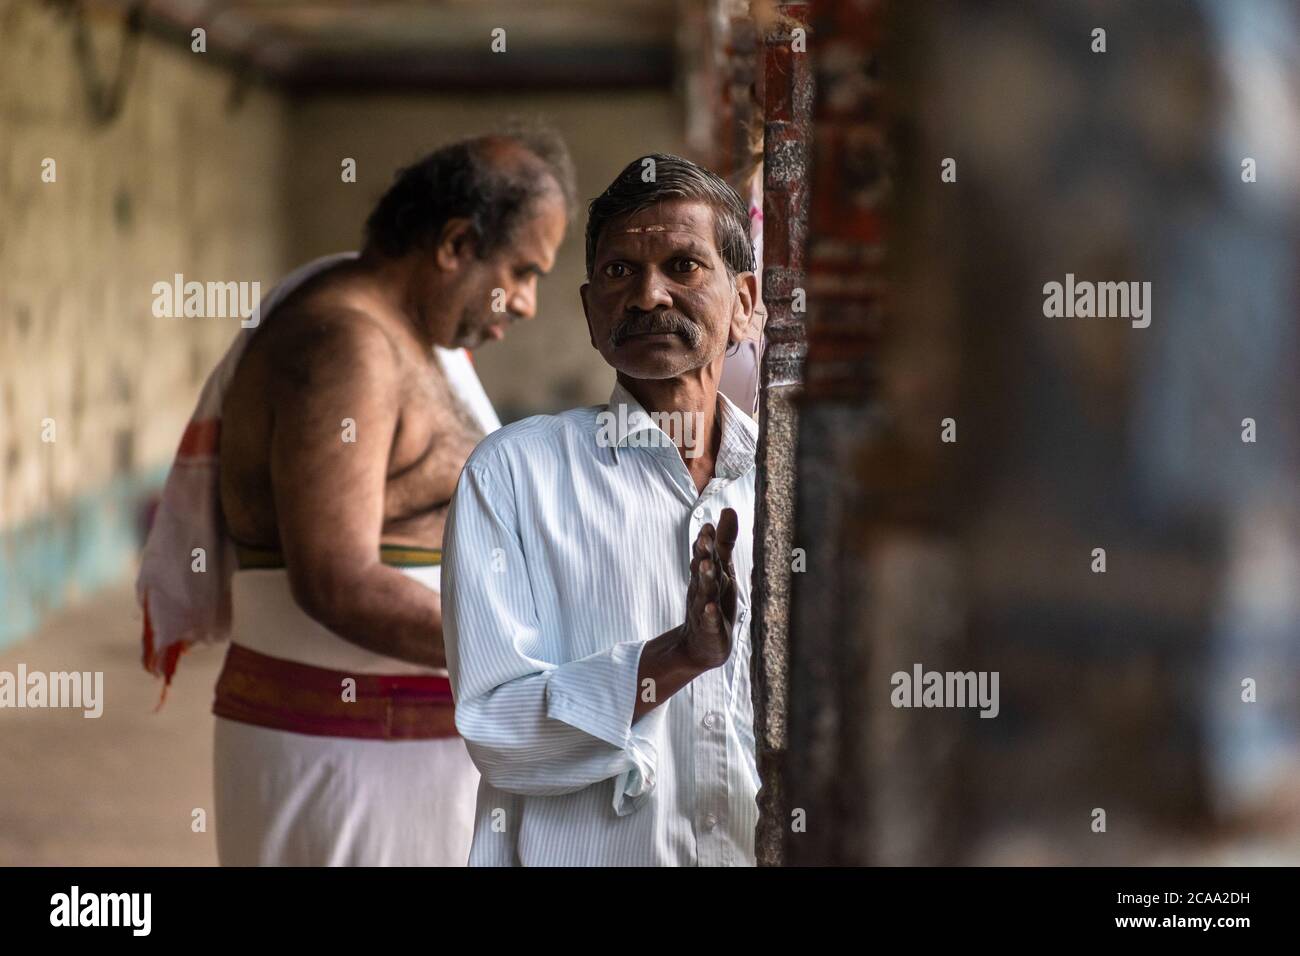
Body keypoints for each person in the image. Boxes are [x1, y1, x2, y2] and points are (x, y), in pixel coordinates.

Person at [136, 128, 575, 865]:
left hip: (392, 754)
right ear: (456, 244)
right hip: (349, 755)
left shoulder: (405, 338)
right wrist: (546, 655)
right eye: (523, 271)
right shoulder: (347, 345)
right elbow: (336, 580)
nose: (527, 303)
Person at [442, 153, 761, 865]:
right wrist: (676, 658)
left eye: (684, 266)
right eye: (621, 272)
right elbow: (496, 729)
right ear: (592, 313)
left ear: (744, 301)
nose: (649, 296)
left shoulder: (785, 486)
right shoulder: (516, 476)